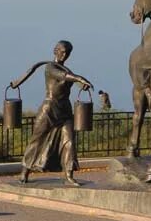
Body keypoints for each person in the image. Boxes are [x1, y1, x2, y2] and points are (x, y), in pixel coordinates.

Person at [9, 40, 94, 186]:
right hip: (49, 109)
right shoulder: (50, 67)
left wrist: (82, 84)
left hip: (65, 110)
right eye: (62, 51)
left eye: (67, 52)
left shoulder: (66, 69)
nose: (64, 54)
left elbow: (71, 77)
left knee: (69, 141)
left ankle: (69, 175)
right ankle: (25, 172)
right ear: (55, 51)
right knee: (38, 140)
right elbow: (63, 76)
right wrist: (79, 78)